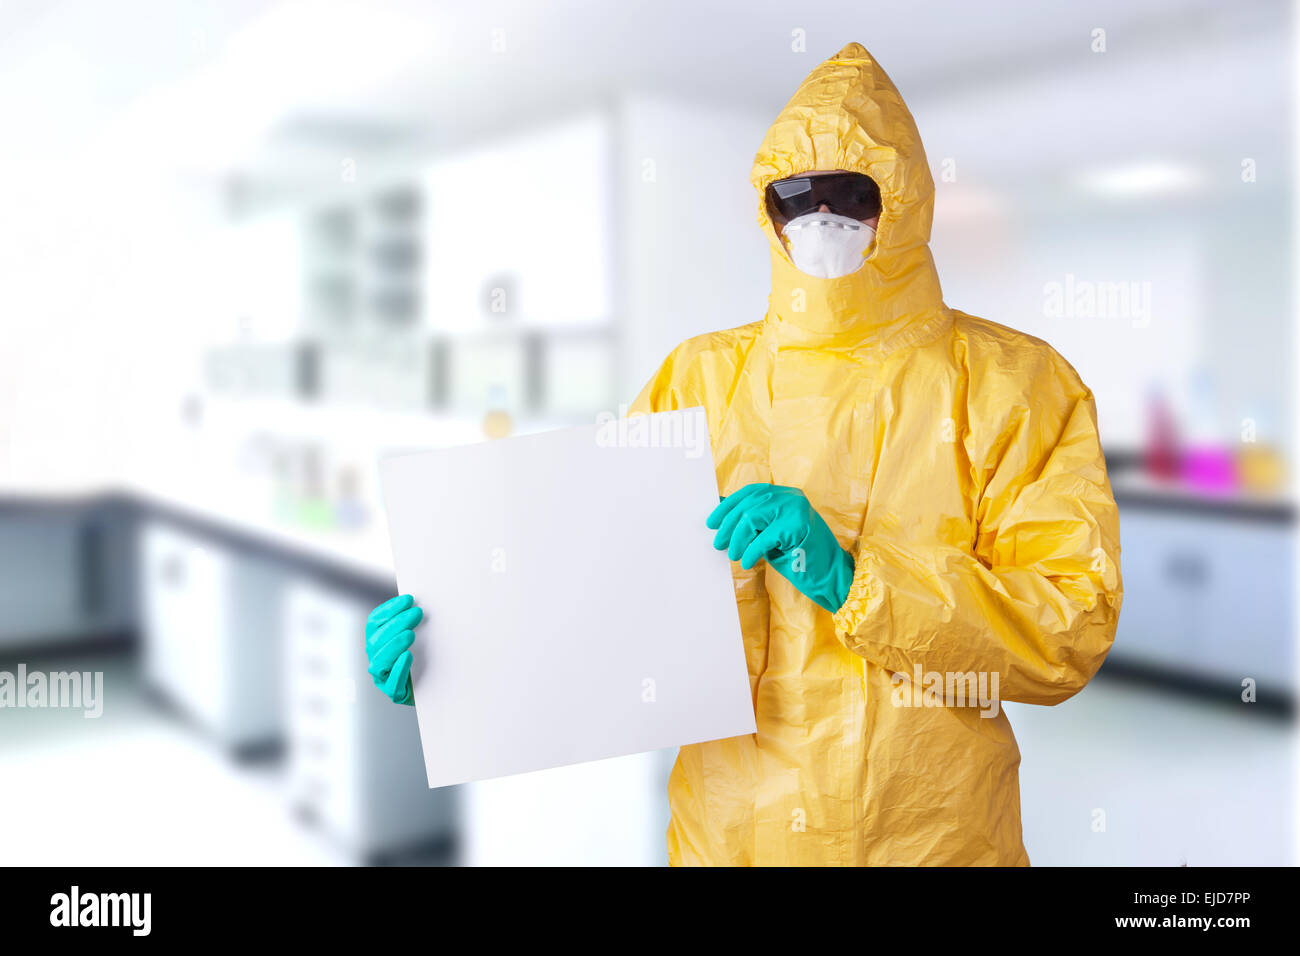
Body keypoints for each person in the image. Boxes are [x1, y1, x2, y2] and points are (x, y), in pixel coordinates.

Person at [364, 41, 1123, 866]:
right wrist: (462, 665)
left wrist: (858, 579)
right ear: (767, 210)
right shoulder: (698, 378)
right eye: (794, 196)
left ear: (904, 204)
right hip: (734, 839)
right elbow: (605, 594)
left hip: (932, 840)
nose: (819, 217)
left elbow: (1066, 632)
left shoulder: (1014, 384)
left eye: (850, 194)